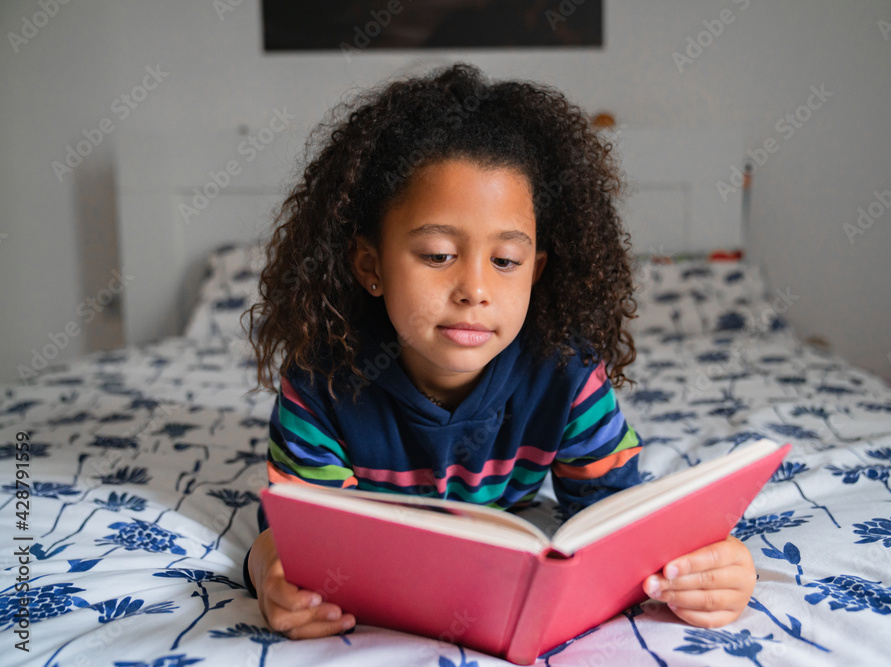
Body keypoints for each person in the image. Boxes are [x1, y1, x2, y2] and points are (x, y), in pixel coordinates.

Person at [242, 62, 755, 640]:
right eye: (437, 254)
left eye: (505, 262)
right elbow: (293, 540)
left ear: (534, 272)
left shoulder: (567, 374)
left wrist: (712, 567)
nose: (475, 290)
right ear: (371, 266)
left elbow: (620, 515)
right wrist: (268, 572)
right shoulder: (321, 383)